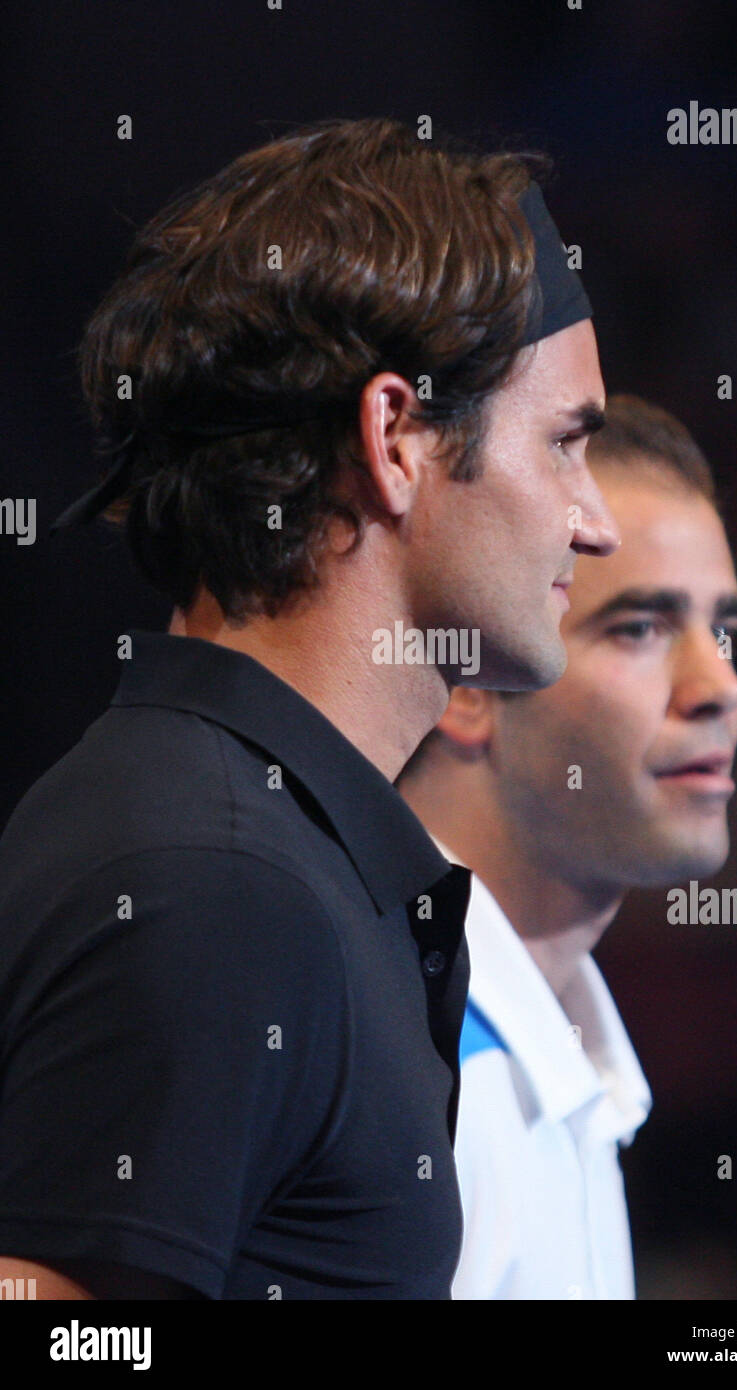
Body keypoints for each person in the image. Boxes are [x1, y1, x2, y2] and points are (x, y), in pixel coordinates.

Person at [0, 117, 618, 1300]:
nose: (596, 521)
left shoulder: (250, 844)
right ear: (394, 439)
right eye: (565, 444)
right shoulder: (222, 876)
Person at [398, 394, 737, 1299]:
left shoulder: (561, 1052)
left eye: (725, 631)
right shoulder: (396, 1058)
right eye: (638, 628)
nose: (721, 687)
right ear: (467, 681)